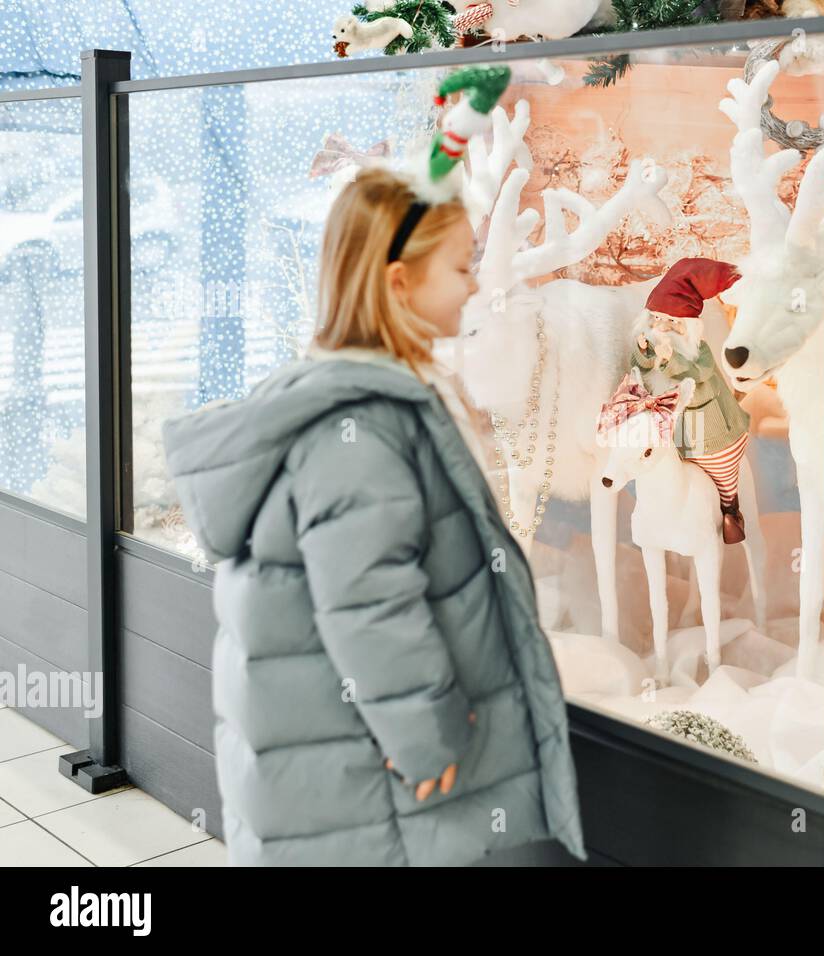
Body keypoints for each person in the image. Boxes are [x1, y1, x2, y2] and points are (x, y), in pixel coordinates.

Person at [161, 158, 585, 867]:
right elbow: (369, 604)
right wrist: (424, 736)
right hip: (376, 777)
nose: (475, 283)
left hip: (355, 763)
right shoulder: (356, 433)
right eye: (459, 268)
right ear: (399, 283)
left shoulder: (360, 399)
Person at [627, 258, 753, 543]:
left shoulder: (698, 351)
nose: (662, 326)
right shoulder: (655, 344)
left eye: (671, 321)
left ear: (687, 325)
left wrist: (671, 359)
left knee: (722, 476)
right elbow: (642, 370)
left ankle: (730, 509)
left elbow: (700, 373)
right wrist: (644, 353)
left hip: (708, 430)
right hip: (674, 432)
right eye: (656, 318)